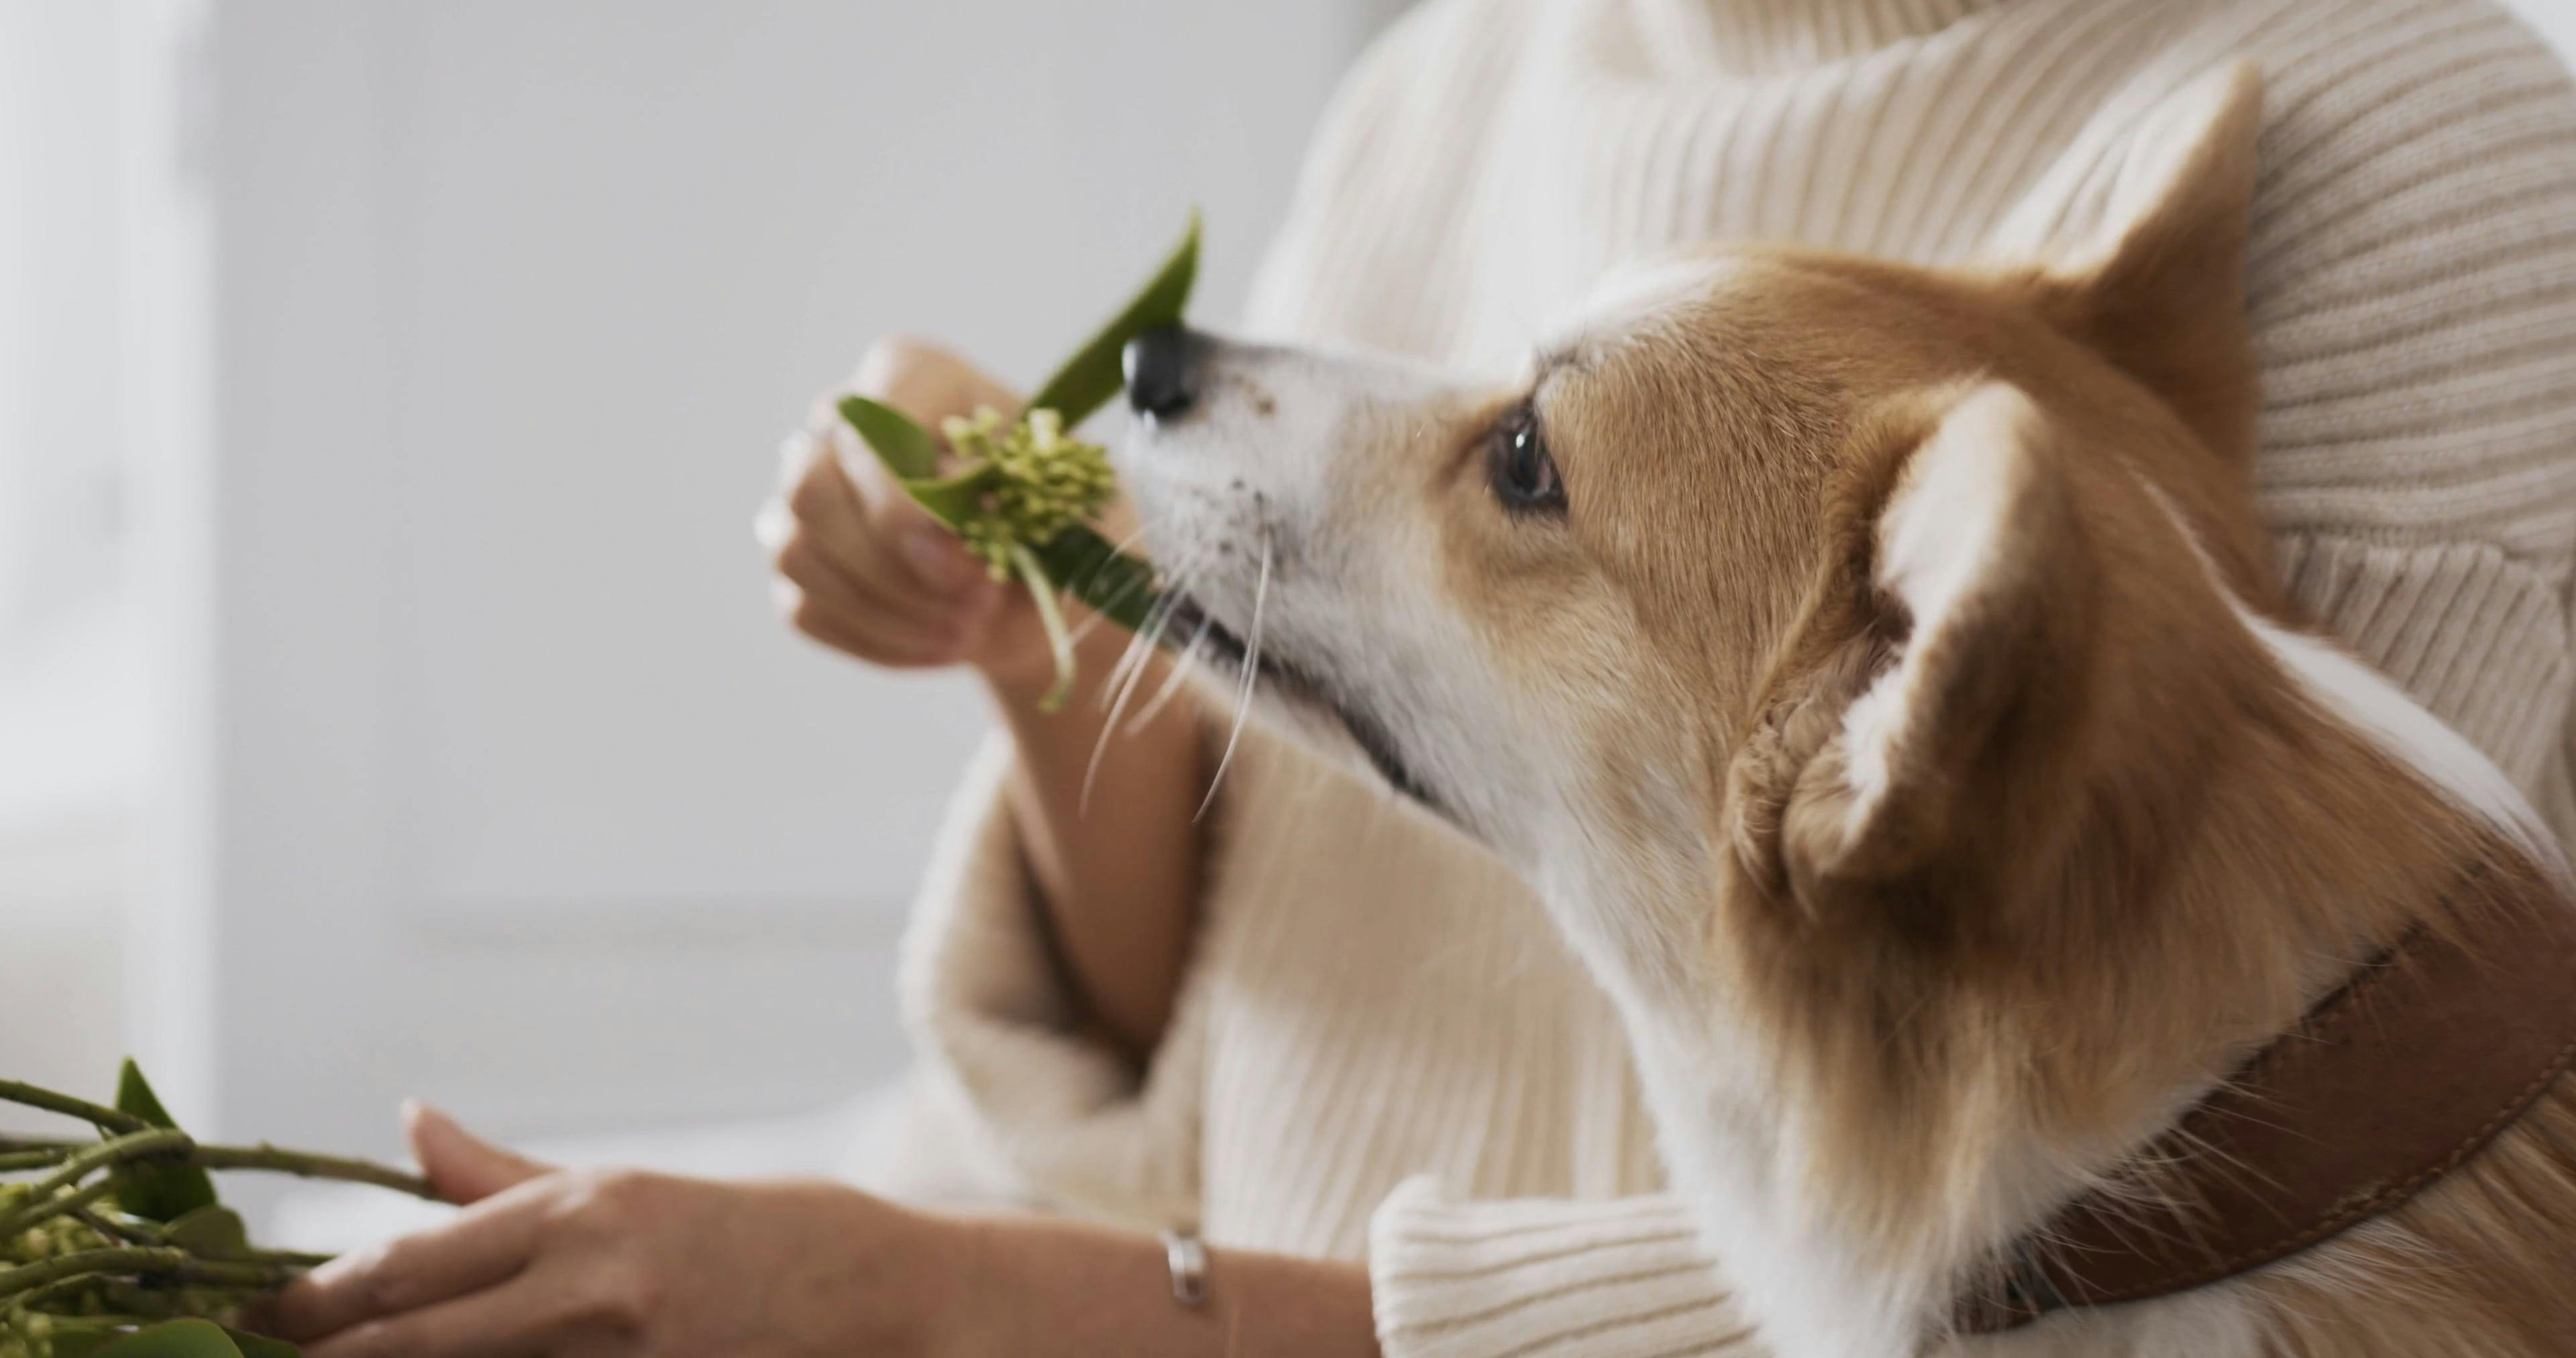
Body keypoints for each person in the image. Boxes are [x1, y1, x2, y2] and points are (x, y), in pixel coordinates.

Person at [266, 0, 2576, 1353]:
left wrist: (924, 1308)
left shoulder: (2417, 166)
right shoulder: (1463, 76)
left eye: (1526, 446)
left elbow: (2100, 1258)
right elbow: (1235, 1032)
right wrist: (1052, 613)